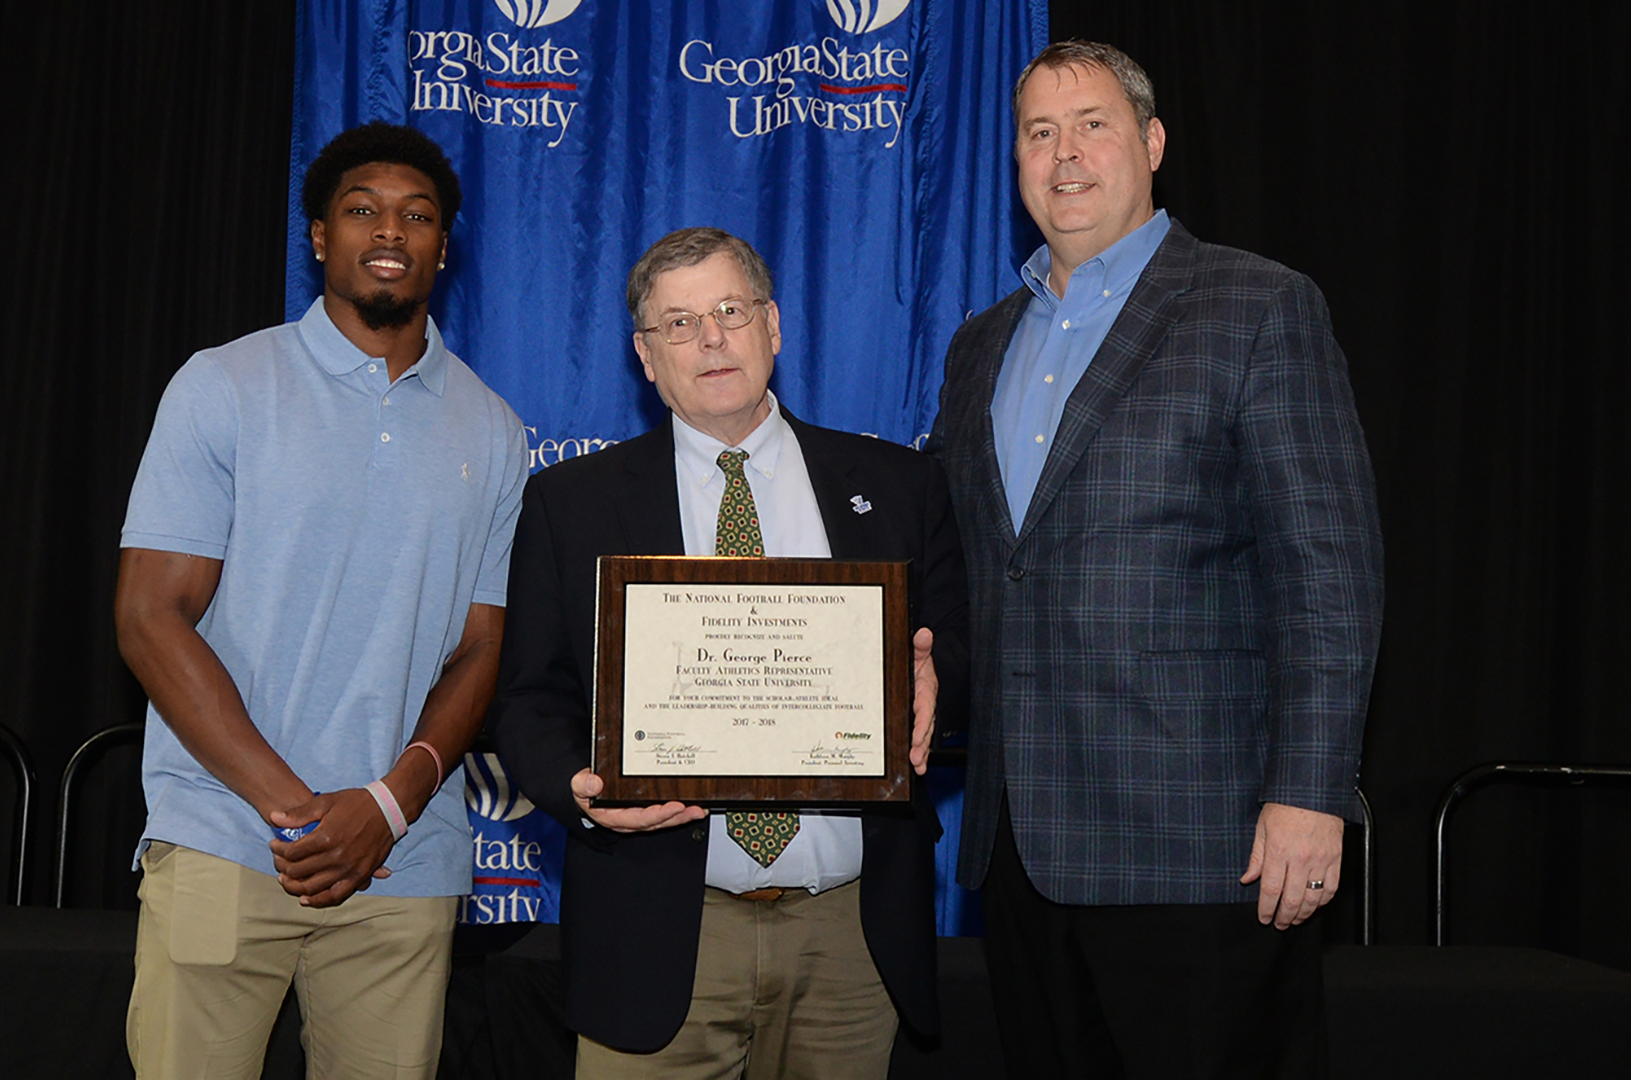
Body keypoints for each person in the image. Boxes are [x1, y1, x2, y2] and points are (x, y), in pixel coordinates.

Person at [928, 40, 1384, 1078]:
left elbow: (1329, 574)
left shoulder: (1258, 309)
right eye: (1038, 133)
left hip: (1202, 846)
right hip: (1019, 853)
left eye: (1093, 124)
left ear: (1153, 142)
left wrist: (1312, 793)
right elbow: (975, 569)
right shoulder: (979, 345)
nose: (1065, 155)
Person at [489, 227, 968, 1080]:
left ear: (773, 327)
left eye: (729, 311)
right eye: (678, 324)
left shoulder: (898, 486)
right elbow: (528, 699)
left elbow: (956, 677)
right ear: (645, 355)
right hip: (657, 927)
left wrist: (938, 688)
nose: (710, 339)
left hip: (850, 941)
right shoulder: (572, 505)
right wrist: (581, 792)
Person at [114, 120, 526, 1080]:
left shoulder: (495, 430)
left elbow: (481, 649)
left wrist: (386, 806)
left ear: (443, 246)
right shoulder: (223, 385)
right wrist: (299, 814)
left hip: (403, 861)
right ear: (317, 236)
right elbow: (148, 617)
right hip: (225, 835)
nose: (391, 230)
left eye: (417, 215)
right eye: (362, 210)